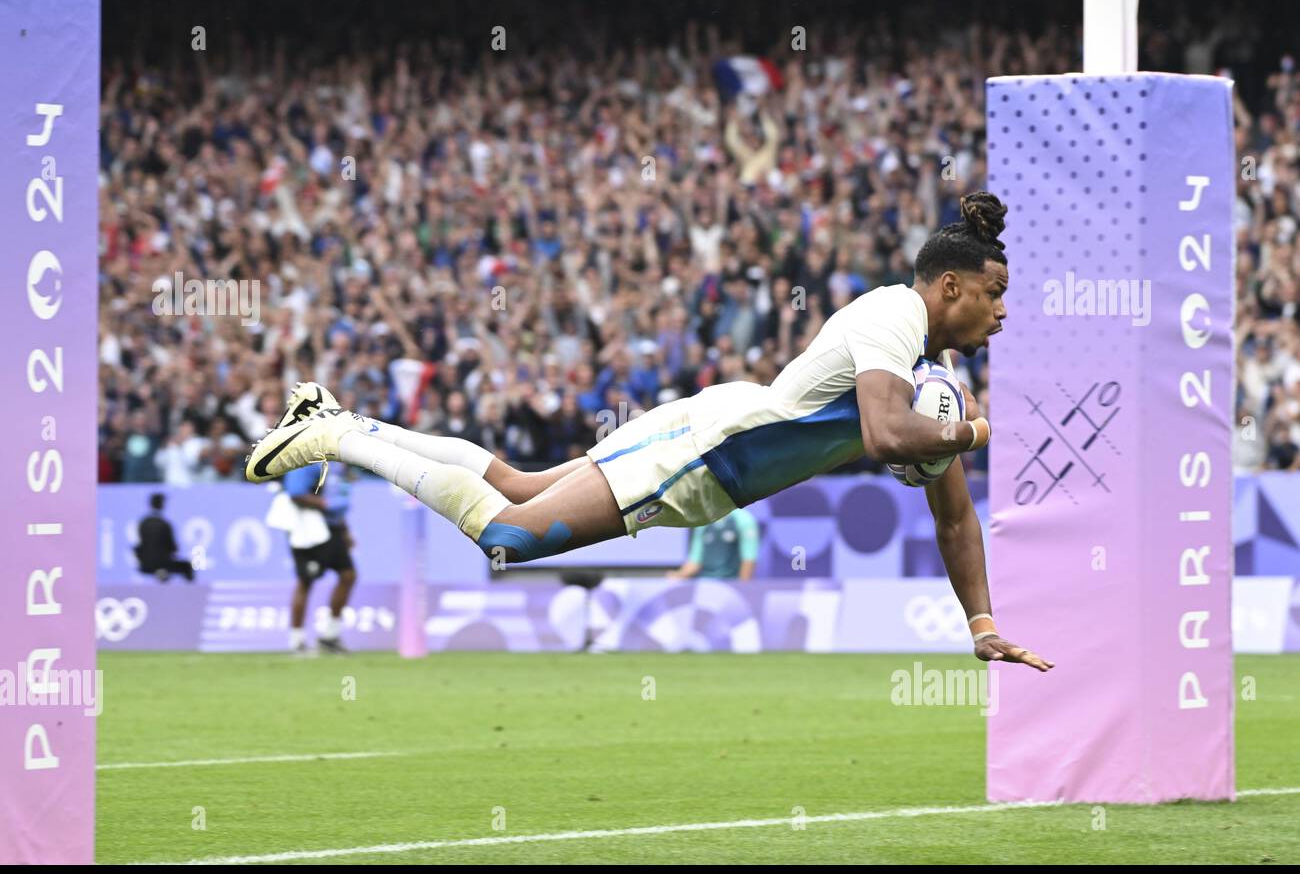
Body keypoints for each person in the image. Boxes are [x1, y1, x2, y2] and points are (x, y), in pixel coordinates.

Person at [247, 193, 1051, 671]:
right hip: (706, 451)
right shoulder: (894, 315)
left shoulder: (936, 380)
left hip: (711, 445)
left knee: (520, 491)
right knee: (510, 540)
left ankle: (333, 416)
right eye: (995, 292)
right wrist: (977, 435)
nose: (1005, 311)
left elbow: (953, 515)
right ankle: (334, 436)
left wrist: (981, 625)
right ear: (952, 285)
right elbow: (883, 436)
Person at [281, 457, 356, 654]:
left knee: (348, 575)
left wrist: (345, 530)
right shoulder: (305, 460)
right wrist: (325, 503)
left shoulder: (336, 463)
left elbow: (337, 493)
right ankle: (296, 641)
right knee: (306, 580)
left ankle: (330, 636)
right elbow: (296, 493)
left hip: (333, 528)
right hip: (310, 529)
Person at [667, 510, 760, 581]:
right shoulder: (703, 521)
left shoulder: (744, 519)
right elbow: (695, 561)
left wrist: (742, 588)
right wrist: (677, 576)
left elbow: (749, 559)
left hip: (731, 584)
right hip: (705, 584)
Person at [134, 493, 195, 582]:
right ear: (161, 504)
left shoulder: (143, 523)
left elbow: (140, 544)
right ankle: (191, 594)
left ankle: (162, 576)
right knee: (187, 566)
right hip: (162, 563)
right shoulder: (164, 524)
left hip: (145, 563)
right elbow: (173, 547)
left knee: (164, 570)